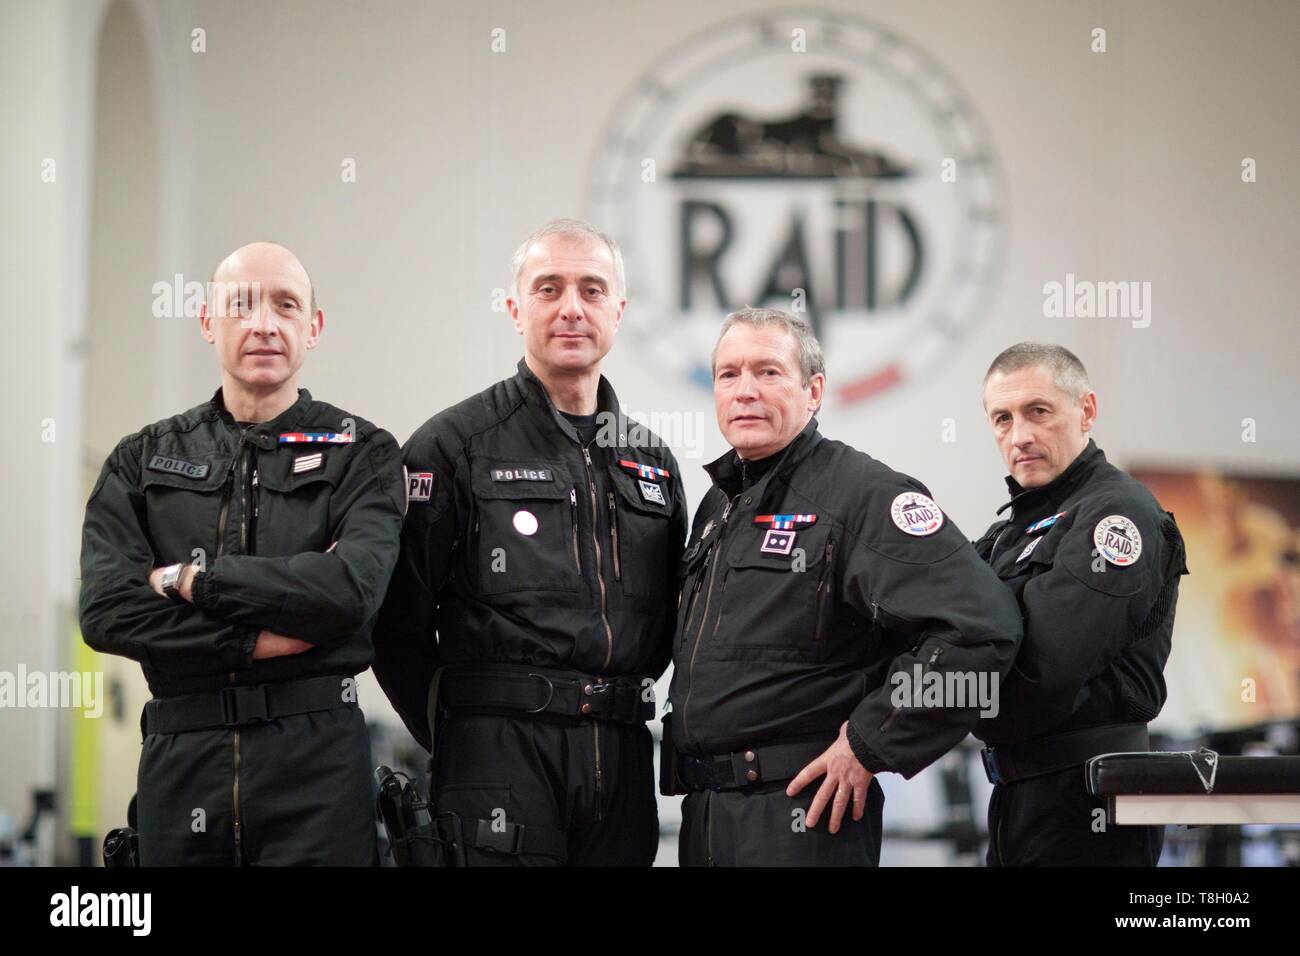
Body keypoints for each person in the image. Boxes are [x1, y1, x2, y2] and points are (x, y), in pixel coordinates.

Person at [372, 219, 687, 866]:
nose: (572, 307)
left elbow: (674, 622)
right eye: (549, 288)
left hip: (621, 754)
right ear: (516, 309)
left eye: (592, 290)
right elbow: (393, 621)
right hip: (499, 755)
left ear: (618, 311)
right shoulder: (454, 445)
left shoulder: (651, 463)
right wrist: (460, 735)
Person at [79, 241, 405, 865]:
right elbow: (107, 612)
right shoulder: (140, 460)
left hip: (317, 768)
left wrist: (187, 582)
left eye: (286, 305)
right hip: (182, 763)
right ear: (207, 322)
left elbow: (348, 594)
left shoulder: (361, 452)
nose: (264, 324)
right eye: (241, 305)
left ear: (313, 327)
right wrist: (252, 640)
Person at [663, 307, 1023, 866]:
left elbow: (981, 630)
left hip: (802, 817)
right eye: (728, 374)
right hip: (707, 816)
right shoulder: (719, 505)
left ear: (814, 391)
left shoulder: (864, 496)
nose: (745, 391)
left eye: (768, 372)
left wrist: (871, 740)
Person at [973, 342, 1188, 866]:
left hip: (1093, 801)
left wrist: (951, 697)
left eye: (1038, 412)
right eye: (1002, 418)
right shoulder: (1010, 531)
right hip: (1021, 795)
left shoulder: (1117, 514)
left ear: (1086, 410)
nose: (1019, 435)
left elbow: (1045, 672)